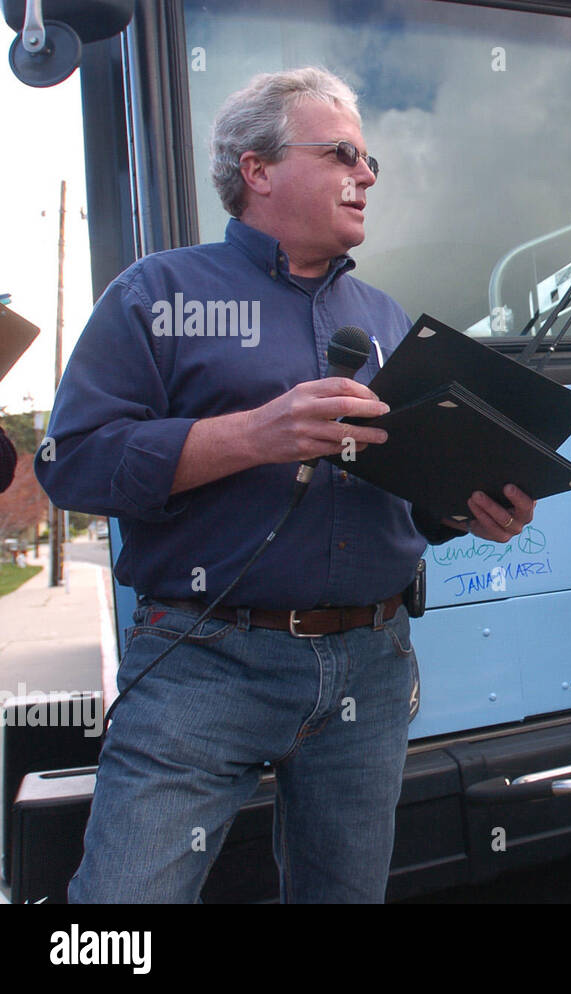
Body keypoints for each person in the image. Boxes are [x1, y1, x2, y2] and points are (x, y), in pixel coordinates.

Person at [36, 67, 534, 903]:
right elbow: (73, 462)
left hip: (371, 664)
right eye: (344, 153)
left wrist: (465, 508)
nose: (367, 175)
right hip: (204, 661)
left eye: (370, 160)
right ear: (256, 168)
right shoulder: (157, 293)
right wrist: (249, 436)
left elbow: (397, 489)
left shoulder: (385, 319)